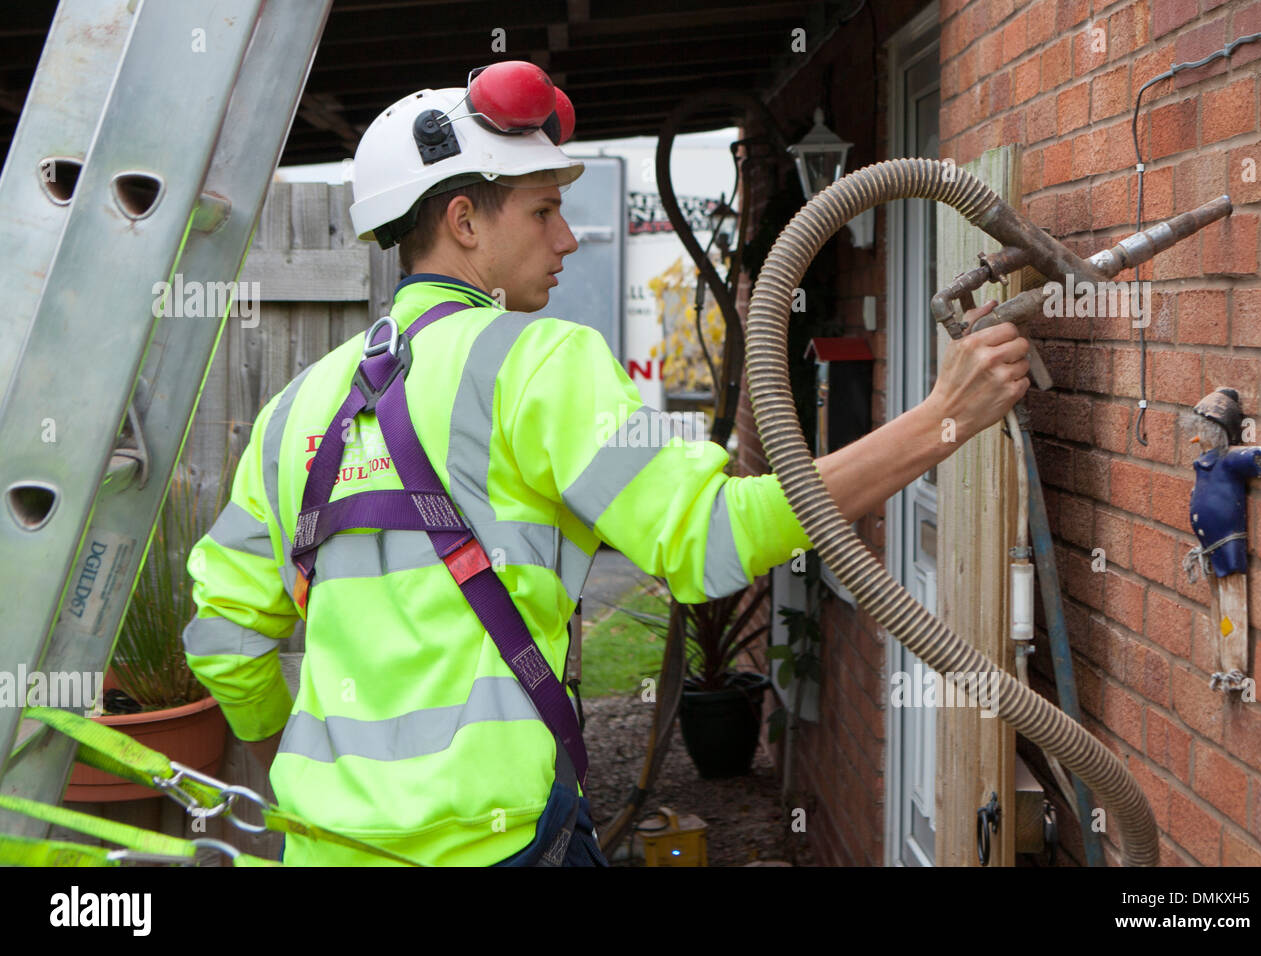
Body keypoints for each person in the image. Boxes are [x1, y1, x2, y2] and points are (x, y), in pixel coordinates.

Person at [183, 66, 1030, 867]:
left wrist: (316, 771)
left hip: (322, 844)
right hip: (500, 842)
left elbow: (222, 635)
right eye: (544, 210)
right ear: (465, 223)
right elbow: (708, 543)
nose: (565, 238)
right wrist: (942, 420)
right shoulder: (540, 362)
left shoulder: (294, 408)